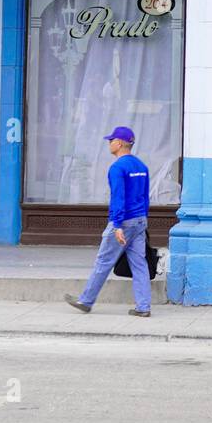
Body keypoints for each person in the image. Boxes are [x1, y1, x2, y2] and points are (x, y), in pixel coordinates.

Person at [64, 126, 153, 317]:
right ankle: (143, 307)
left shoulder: (117, 167)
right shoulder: (141, 166)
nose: (109, 143)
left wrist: (117, 225)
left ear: (119, 143)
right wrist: (143, 219)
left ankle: (86, 301)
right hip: (139, 220)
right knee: (139, 264)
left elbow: (118, 197)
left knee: (104, 261)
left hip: (123, 222)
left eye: (111, 140)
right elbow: (145, 197)